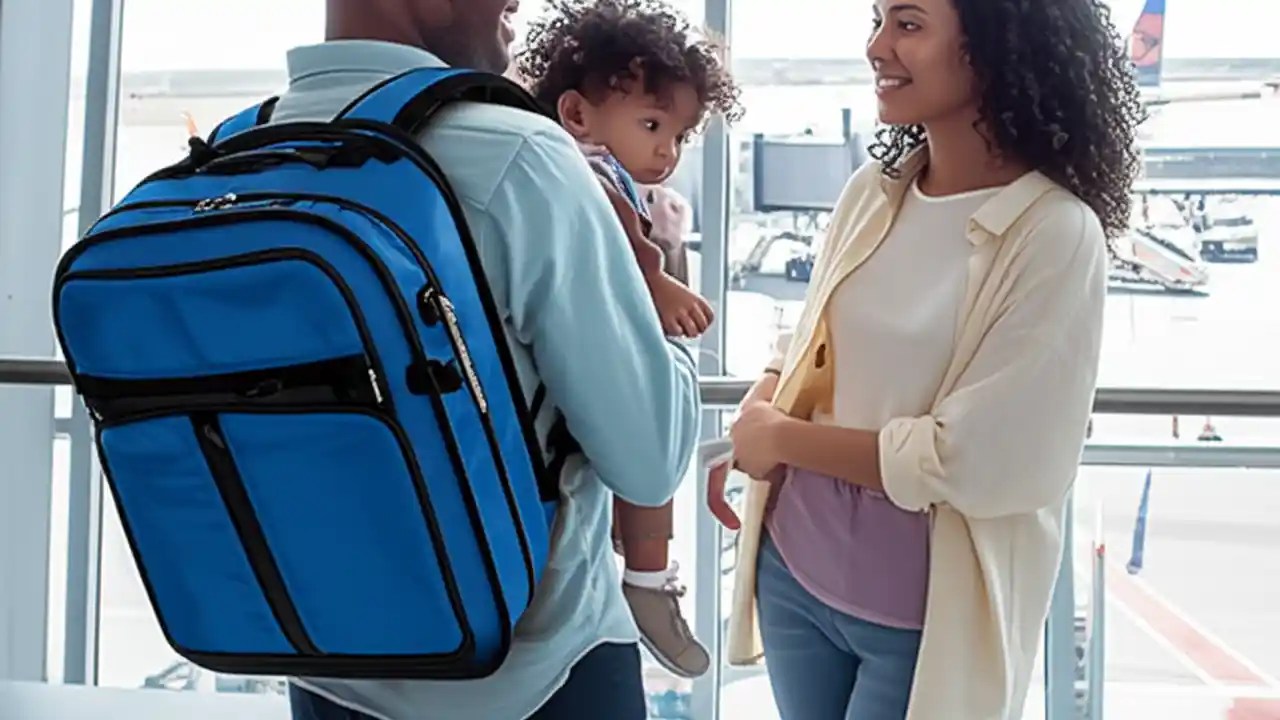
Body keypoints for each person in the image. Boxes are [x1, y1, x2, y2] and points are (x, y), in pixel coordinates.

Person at [707, 0, 1142, 718]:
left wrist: (782, 438)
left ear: (999, 44)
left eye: (907, 24)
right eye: (878, 21)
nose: (877, 47)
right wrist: (763, 406)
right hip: (793, 572)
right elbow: (812, 338)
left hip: (920, 616)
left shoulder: (1055, 234)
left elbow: (980, 459)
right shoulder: (872, 194)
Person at [278, 1, 701, 718]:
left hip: (326, 664)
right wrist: (666, 307)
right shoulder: (518, 158)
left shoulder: (257, 150)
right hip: (534, 678)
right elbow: (650, 454)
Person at [514, 0, 742, 679]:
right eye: (652, 126)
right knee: (649, 441)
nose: (667, 152)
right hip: (594, 367)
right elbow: (618, 233)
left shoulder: (582, 167)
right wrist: (663, 281)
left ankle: (642, 568)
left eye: (677, 137)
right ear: (579, 114)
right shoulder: (583, 169)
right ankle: (648, 578)